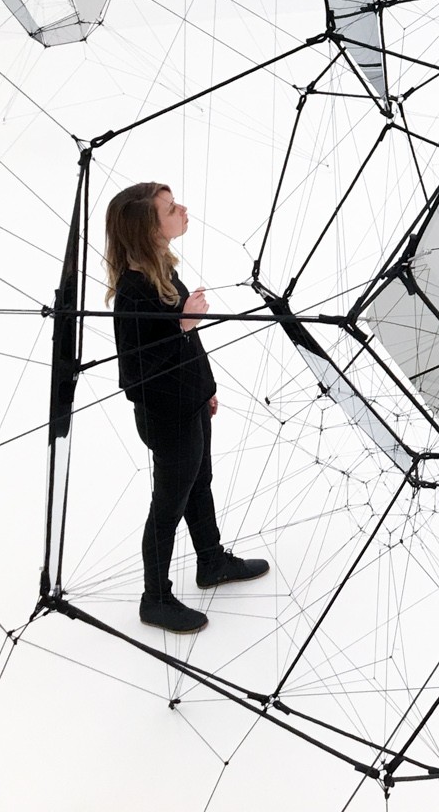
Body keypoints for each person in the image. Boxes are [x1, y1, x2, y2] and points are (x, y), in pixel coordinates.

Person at [106, 182, 268, 634]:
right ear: (147, 230)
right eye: (170, 209)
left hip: (190, 400)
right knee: (169, 503)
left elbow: (187, 342)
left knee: (201, 481)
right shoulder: (133, 292)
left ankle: (210, 560)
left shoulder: (162, 269)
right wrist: (182, 324)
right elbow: (135, 374)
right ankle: (154, 597)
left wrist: (205, 386)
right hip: (166, 413)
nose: (183, 210)